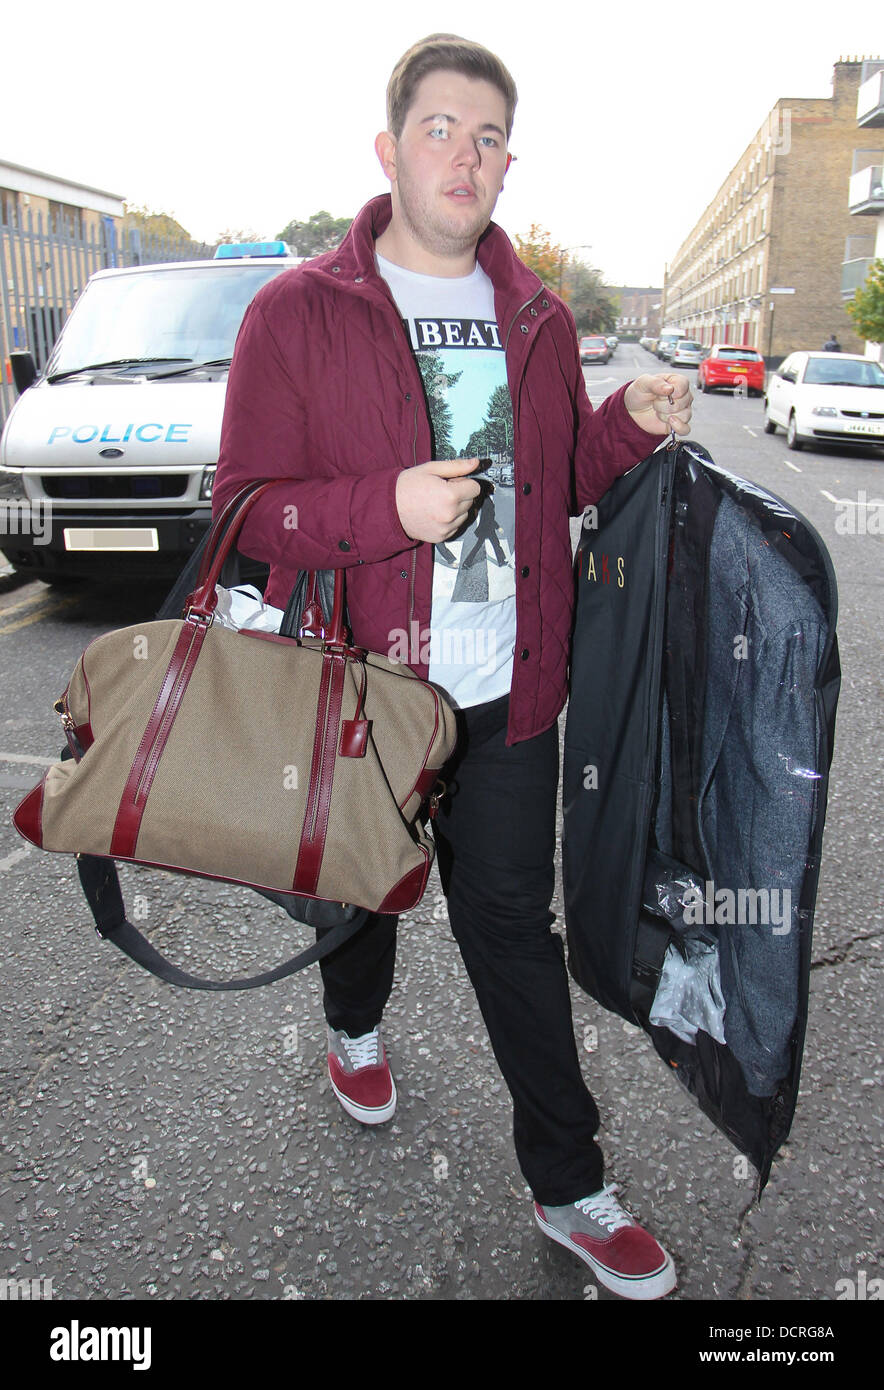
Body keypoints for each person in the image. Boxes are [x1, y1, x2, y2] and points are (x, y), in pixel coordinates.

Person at [214, 33, 692, 1300]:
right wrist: (381, 507)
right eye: (440, 129)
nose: (464, 156)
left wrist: (621, 431)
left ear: (505, 162)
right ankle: (350, 1023)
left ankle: (570, 1183)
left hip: (508, 696)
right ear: (388, 148)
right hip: (367, 689)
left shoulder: (531, 316)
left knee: (507, 934)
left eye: (488, 137)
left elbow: (556, 490)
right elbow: (248, 509)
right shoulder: (297, 310)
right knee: (359, 898)